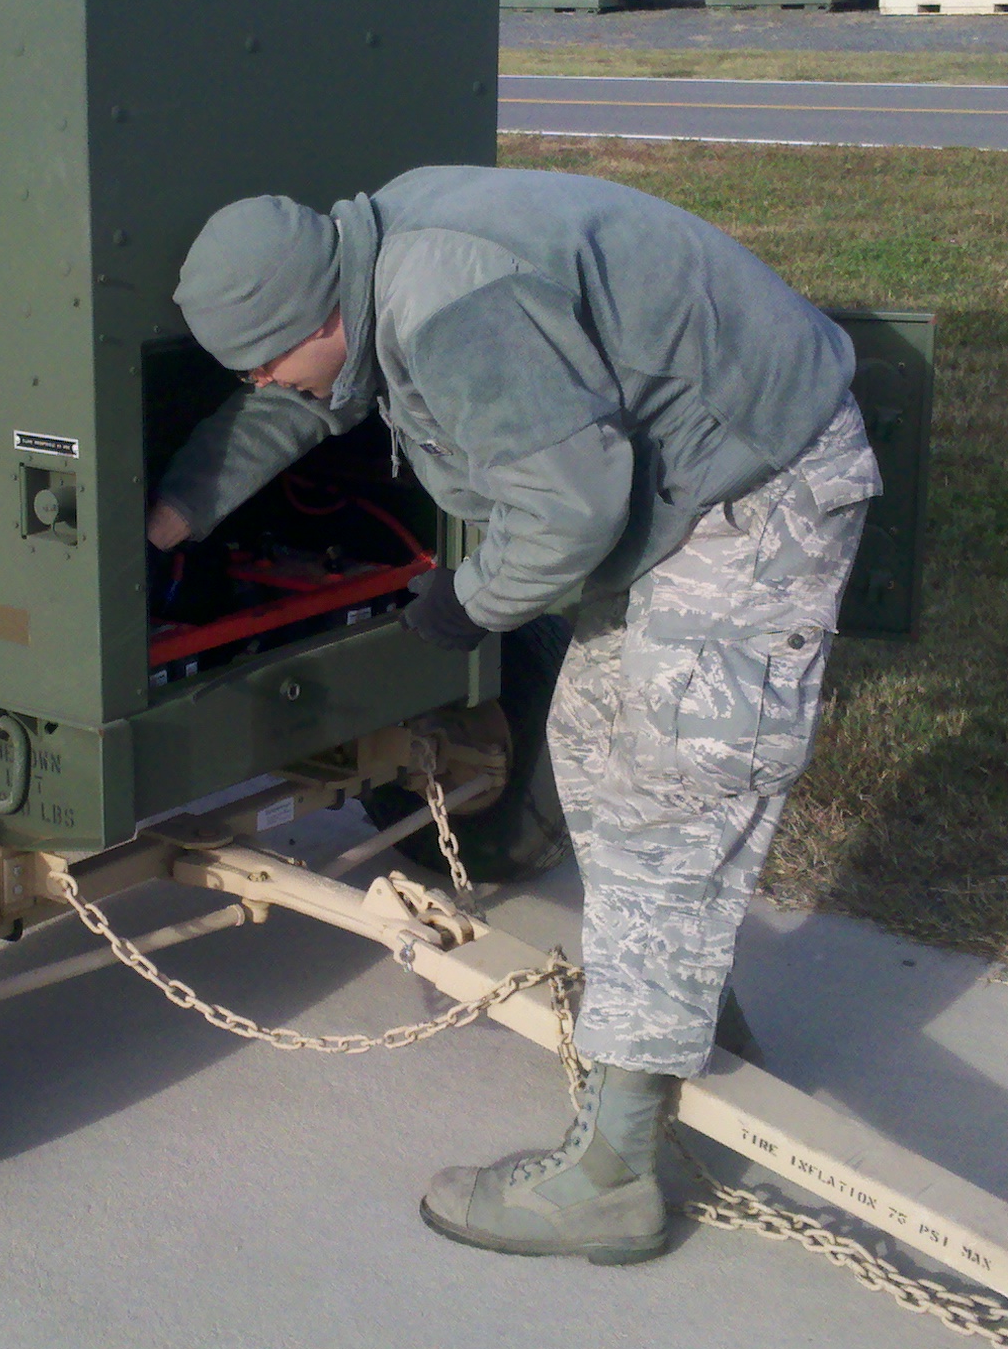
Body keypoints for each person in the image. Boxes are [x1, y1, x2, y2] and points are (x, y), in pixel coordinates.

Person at [147, 165, 880, 1265]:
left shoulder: (449, 301)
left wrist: (464, 605)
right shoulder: (369, 255)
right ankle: (683, 1028)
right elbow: (292, 403)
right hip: (692, 480)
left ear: (323, 315)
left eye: (270, 362)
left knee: (671, 793)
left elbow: (571, 509)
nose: (270, 385)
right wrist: (168, 518)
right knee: (596, 754)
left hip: (756, 488)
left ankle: (617, 1173)